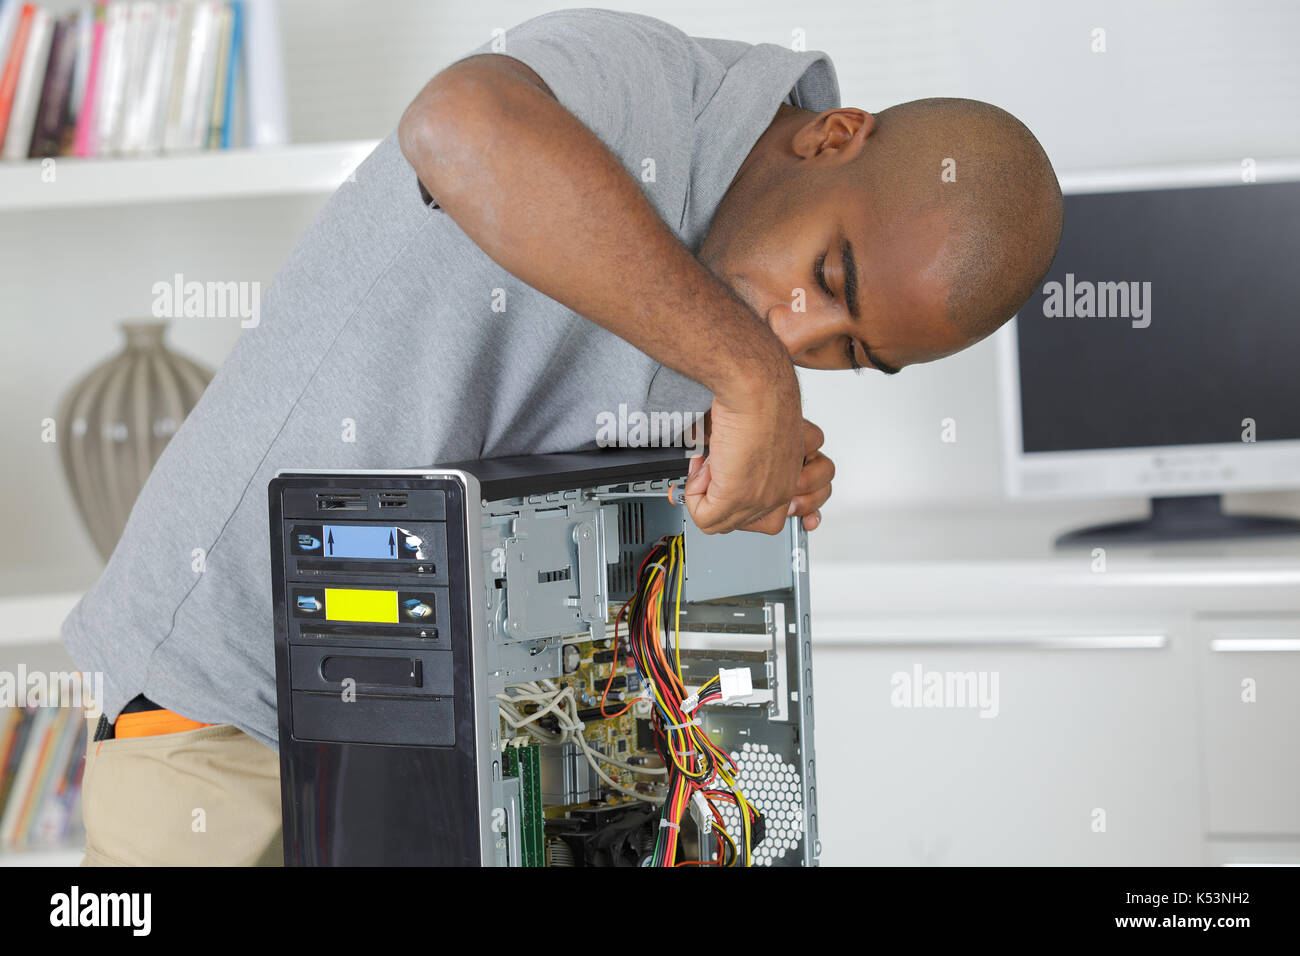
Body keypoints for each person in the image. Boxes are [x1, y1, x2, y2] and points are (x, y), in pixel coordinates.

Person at [65, 8, 1062, 866]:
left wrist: (732, 478)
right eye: (831, 278)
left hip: (433, 754)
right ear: (830, 138)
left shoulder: (725, 315)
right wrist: (749, 376)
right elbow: (459, 128)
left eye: (848, 351)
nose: (796, 334)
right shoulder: (645, 85)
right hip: (222, 717)